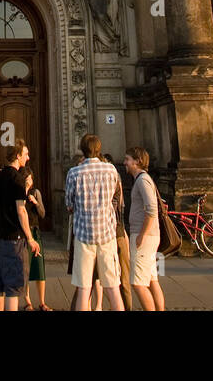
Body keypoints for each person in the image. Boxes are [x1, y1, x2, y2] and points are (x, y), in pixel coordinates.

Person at [64, 133, 124, 311]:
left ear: (82, 149)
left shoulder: (74, 173)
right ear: (99, 149)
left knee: (84, 289)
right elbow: (117, 199)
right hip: (107, 235)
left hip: (83, 235)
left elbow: (69, 204)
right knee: (113, 288)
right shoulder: (111, 170)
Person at [0, 140, 40, 311]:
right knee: (13, 288)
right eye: (25, 154)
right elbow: (21, 211)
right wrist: (31, 238)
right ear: (18, 156)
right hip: (15, 238)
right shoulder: (18, 179)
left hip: (2, 236)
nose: (28, 158)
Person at [124, 146, 165, 311]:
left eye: (127, 159)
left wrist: (142, 234)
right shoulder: (142, 180)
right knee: (152, 280)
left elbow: (152, 210)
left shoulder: (142, 180)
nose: (125, 163)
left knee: (138, 283)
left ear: (137, 161)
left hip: (145, 237)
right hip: (149, 235)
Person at [106, 152, 134, 311]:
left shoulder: (115, 179)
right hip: (114, 230)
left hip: (116, 230)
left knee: (121, 277)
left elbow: (120, 207)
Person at [22, 168, 51, 310]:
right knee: (25, 269)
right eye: (26, 178)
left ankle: (42, 302)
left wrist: (35, 203)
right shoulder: (18, 194)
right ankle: (28, 302)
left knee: (39, 267)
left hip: (35, 232)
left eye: (30, 178)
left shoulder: (36, 193)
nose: (29, 181)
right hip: (22, 235)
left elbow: (43, 214)